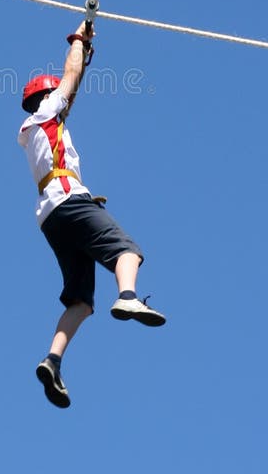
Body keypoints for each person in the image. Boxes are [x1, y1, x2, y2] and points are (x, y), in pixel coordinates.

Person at [17, 20, 166, 408]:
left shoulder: (36, 128)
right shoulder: (49, 113)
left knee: (80, 302)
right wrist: (78, 39)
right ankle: (129, 296)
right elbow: (69, 76)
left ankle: (53, 359)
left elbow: (74, 83)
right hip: (70, 200)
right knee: (127, 252)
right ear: (48, 96)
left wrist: (86, 55)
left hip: (51, 218)